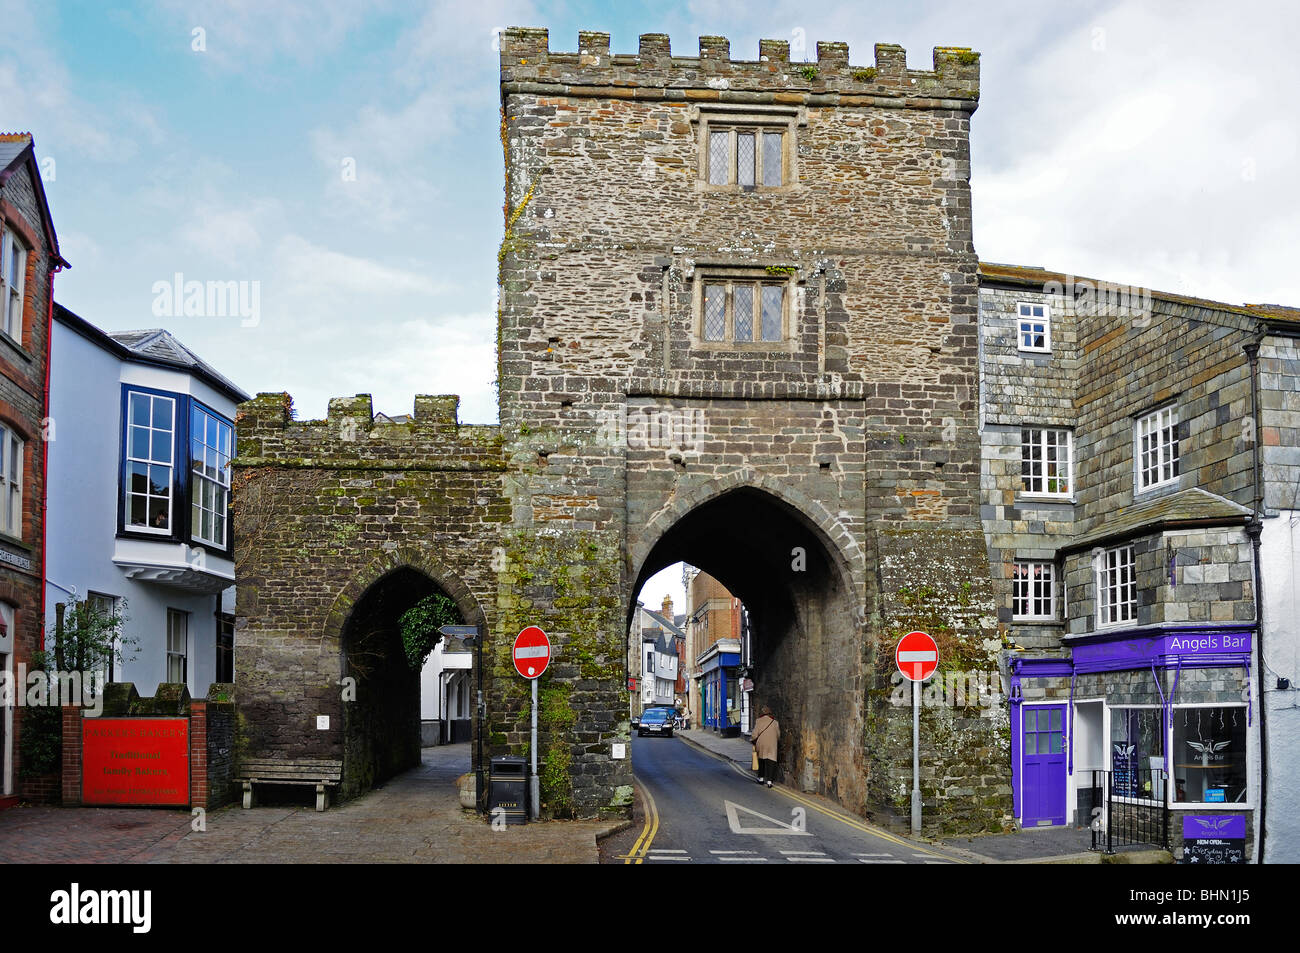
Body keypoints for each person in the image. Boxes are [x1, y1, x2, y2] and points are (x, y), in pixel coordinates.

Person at [751, 705, 779, 788]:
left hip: (761, 743)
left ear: (762, 712)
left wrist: (752, 739)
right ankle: (770, 781)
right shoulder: (775, 722)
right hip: (772, 744)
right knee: (771, 761)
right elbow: (778, 735)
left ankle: (761, 778)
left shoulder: (758, 721)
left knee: (761, 760)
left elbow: (755, 733)